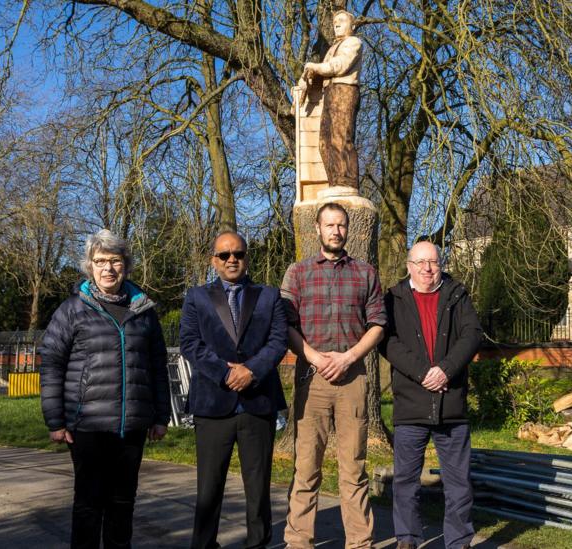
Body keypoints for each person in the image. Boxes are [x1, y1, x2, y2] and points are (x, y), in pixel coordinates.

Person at [40, 229, 170, 549]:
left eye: (115, 261)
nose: (108, 268)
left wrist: (161, 416)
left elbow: (157, 365)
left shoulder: (143, 310)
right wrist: (55, 420)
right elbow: (52, 363)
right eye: (100, 261)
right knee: (88, 503)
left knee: (123, 503)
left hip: (132, 425)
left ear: (126, 265)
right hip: (87, 424)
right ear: (90, 266)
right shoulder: (71, 309)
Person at [281, 202, 385, 549]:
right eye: (329, 225)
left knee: (353, 469)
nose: (336, 231)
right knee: (306, 467)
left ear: (348, 229)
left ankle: (360, 543)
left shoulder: (365, 273)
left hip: (352, 378)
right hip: (312, 379)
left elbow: (378, 324)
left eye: (341, 225)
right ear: (317, 228)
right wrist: (313, 357)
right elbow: (286, 325)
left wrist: (349, 357)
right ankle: (298, 542)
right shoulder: (297, 272)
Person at [179, 231, 289, 549]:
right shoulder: (196, 297)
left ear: (246, 258)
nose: (232, 260)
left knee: (258, 488)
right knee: (208, 488)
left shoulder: (269, 296)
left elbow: (279, 340)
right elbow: (190, 342)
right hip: (213, 404)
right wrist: (225, 374)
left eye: (238, 254)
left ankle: (258, 544)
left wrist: (251, 370)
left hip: (258, 403)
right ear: (213, 260)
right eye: (224, 255)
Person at [380, 241, 482, 549]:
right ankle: (407, 539)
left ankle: (459, 541)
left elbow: (472, 335)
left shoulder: (457, 294)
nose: (427, 268)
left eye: (434, 262)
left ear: (441, 264)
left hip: (451, 405)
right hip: (411, 403)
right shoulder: (393, 298)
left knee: (458, 482)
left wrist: (446, 370)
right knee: (405, 481)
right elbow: (387, 341)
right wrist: (423, 372)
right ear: (409, 266)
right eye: (421, 262)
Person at [301, 10, 363, 189]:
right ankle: (334, 183)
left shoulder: (353, 42)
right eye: (335, 21)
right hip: (329, 93)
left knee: (340, 138)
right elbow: (324, 70)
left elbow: (339, 66)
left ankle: (346, 182)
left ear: (352, 25)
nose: (336, 24)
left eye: (341, 20)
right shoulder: (332, 49)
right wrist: (307, 79)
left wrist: (315, 67)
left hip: (344, 90)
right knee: (324, 143)